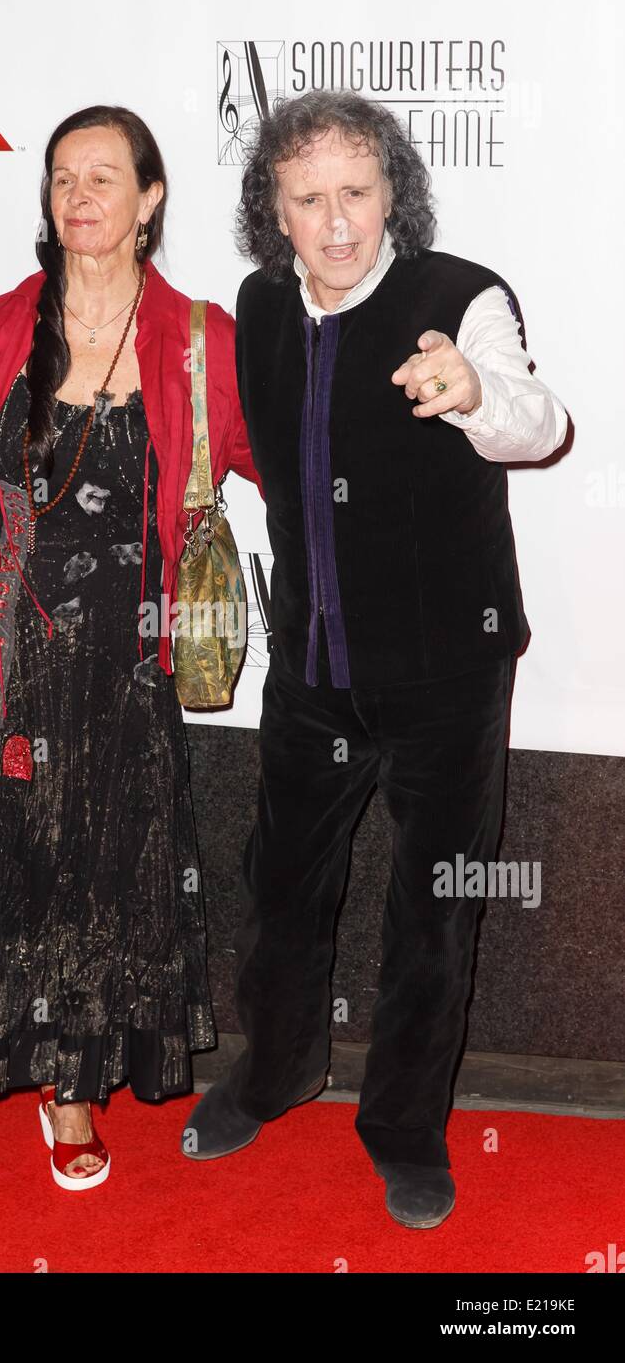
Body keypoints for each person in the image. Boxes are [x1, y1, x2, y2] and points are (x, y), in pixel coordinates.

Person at [0, 104, 263, 1241]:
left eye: (104, 176)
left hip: (123, 686)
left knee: (96, 889)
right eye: (61, 178)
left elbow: (288, 458)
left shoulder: (201, 340)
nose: (79, 195)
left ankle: (71, 1092)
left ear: (149, 201)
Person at [182, 88, 567, 1230]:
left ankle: (402, 1128)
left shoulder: (461, 297)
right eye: (310, 200)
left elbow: (536, 422)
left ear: (393, 189)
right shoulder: (255, 306)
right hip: (310, 666)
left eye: (357, 192)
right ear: (275, 211)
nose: (338, 223)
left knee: (433, 909)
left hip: (449, 673)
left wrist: (470, 392)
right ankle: (275, 1070)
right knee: (280, 888)